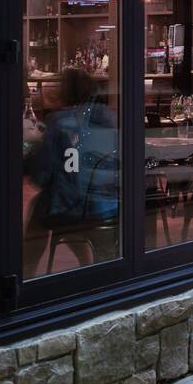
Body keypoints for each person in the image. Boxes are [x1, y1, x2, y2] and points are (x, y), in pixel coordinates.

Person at [23, 67, 120, 274]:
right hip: (112, 203)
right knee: (57, 201)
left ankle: (26, 272)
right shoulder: (110, 117)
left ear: (63, 91)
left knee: (41, 206)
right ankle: (87, 264)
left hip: (79, 207)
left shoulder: (59, 121)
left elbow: (41, 174)